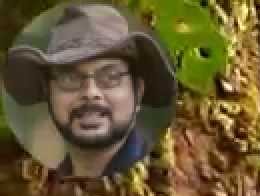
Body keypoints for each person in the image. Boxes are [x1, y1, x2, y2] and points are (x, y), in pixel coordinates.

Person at [3, 3, 175, 179]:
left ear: (138, 92)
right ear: (47, 92)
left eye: (111, 76)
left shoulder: (163, 182)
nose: (90, 92)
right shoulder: (37, 188)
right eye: (69, 79)